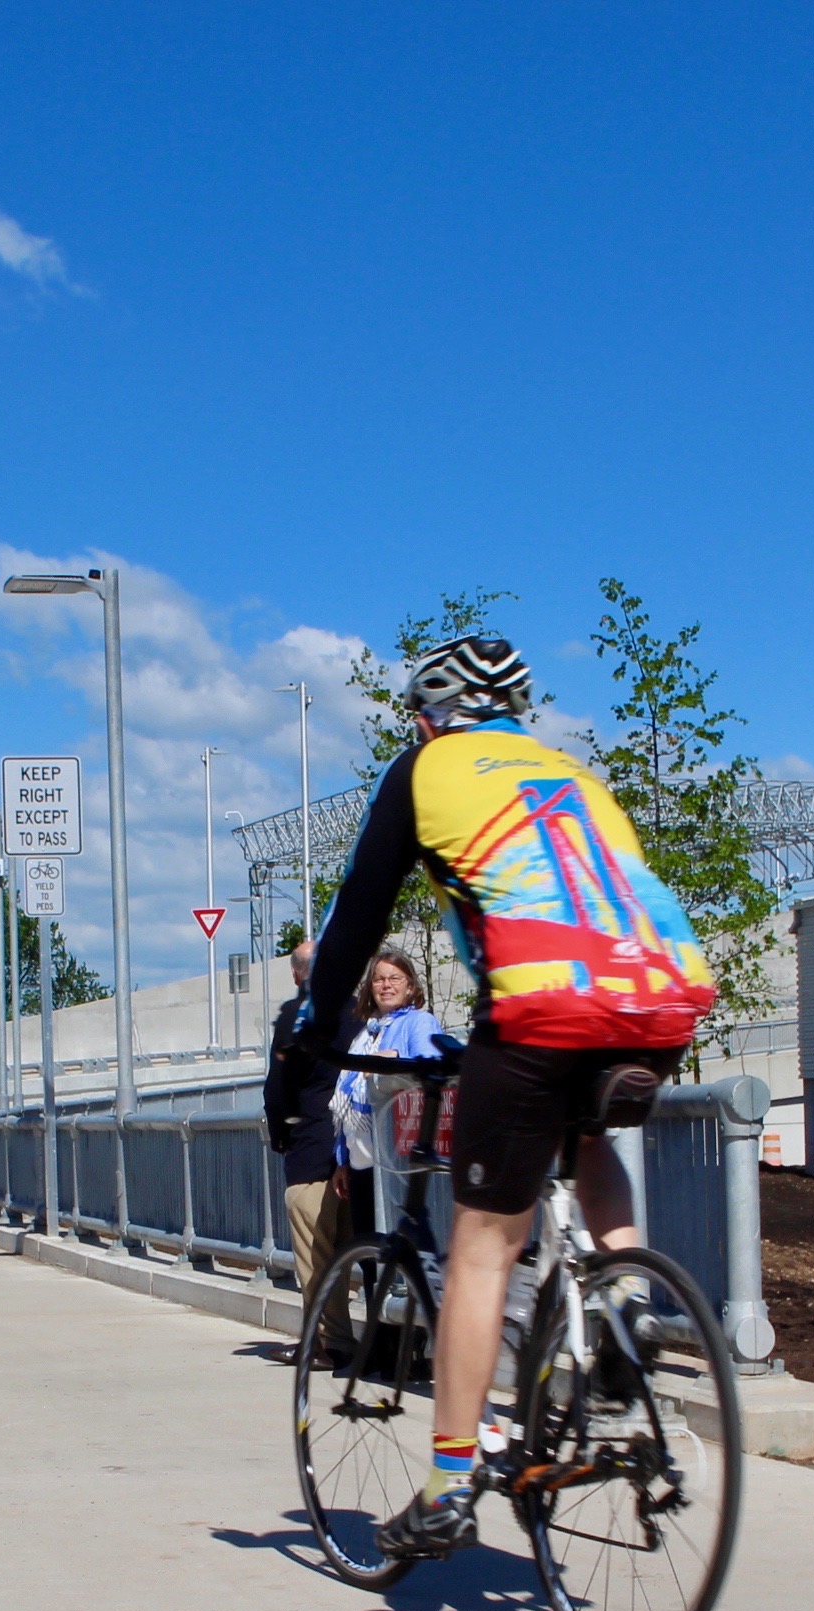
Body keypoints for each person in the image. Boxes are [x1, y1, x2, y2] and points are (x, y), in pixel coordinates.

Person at [296, 633, 717, 1559]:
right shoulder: (576, 776)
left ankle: (449, 1483)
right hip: (661, 998)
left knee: (484, 1246)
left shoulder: (424, 770)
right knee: (586, 1140)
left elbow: (359, 912)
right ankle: (624, 1304)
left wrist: (315, 1024)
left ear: (428, 717)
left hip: (540, 1004)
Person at [262, 940, 351, 1347]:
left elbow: (278, 1088)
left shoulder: (296, 1016)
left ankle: (328, 1341)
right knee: (347, 1253)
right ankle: (355, 1342)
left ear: (296, 974)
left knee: (315, 1255)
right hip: (358, 1151)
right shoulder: (359, 1012)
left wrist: (281, 1135)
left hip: (313, 1147)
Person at [329, 950, 444, 1198]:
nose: (386, 985)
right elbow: (346, 1103)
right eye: (379, 979)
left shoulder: (419, 1022)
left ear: (410, 986)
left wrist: (395, 1060)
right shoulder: (365, 1034)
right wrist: (342, 1161)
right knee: (365, 1224)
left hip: (398, 1163)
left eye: (395, 978)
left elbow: (433, 1070)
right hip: (362, 1163)